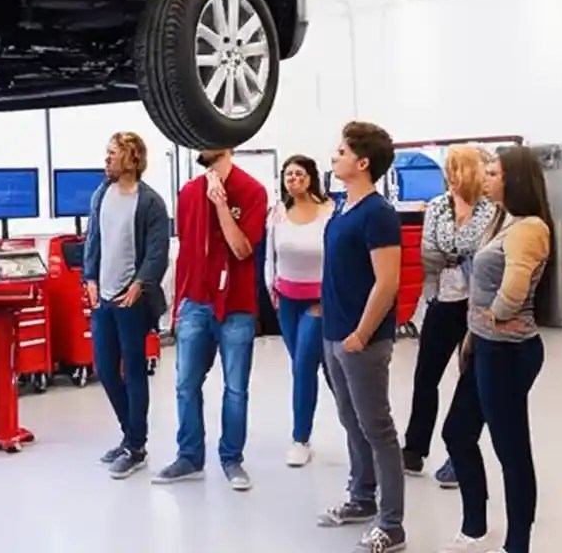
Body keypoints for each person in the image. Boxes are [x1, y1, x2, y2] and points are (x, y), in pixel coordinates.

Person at [439, 146, 551, 553]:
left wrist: (493, 317)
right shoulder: (505, 221)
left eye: (494, 172)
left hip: (508, 351)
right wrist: (476, 332)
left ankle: (516, 544)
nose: (486, 177)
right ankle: (474, 527)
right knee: (457, 432)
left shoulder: (529, 228)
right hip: (487, 347)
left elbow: (515, 287)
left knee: (511, 448)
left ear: (514, 179)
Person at [152, 148, 266, 491]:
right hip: (195, 302)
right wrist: (179, 305)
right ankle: (189, 457)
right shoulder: (188, 193)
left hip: (236, 305)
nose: (198, 145)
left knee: (235, 389)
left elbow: (242, 249)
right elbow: (186, 252)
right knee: (185, 384)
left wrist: (220, 205)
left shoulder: (252, 191)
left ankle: (231, 458)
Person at [316, 121, 406, 553]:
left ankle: (392, 525)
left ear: (363, 162)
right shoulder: (341, 208)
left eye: (341, 152)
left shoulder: (379, 213)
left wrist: (361, 334)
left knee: (377, 428)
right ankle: (362, 497)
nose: (334, 157)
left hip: (361, 340)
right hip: (333, 334)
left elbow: (386, 283)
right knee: (352, 422)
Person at [402, 146, 497, 487]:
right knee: (426, 375)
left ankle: (458, 454)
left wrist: (455, 256)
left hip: (479, 302)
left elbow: (485, 253)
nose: (451, 176)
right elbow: (430, 251)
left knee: (469, 377)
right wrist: (457, 258)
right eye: (449, 169)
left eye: (457, 169)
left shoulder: (491, 210)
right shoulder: (438, 206)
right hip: (442, 298)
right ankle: (414, 449)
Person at [82, 132, 171, 479]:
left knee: (134, 371)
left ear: (132, 159)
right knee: (104, 369)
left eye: (112, 153)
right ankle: (130, 435)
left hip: (133, 300)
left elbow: (157, 253)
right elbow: (93, 239)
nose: (106, 159)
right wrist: (89, 278)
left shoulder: (150, 203)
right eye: (106, 152)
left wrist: (139, 285)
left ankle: (135, 445)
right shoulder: (101, 194)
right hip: (103, 298)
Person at [263, 154, 335, 467]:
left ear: (311, 177)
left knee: (304, 365)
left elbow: (336, 257)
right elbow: (270, 257)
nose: (294, 180)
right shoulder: (278, 213)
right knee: (309, 367)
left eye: (299, 174)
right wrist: (272, 291)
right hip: (286, 302)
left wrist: (329, 298)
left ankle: (300, 438)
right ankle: (356, 424)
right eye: (289, 175)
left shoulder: (329, 211)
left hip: (319, 303)